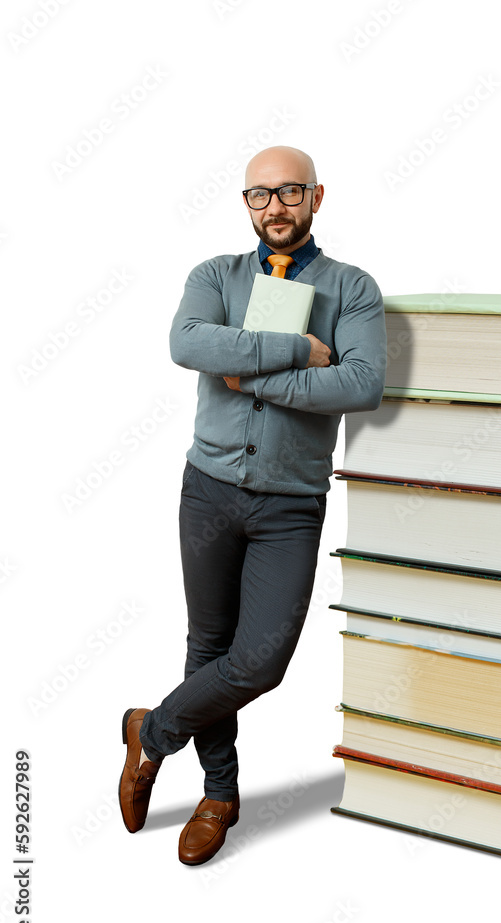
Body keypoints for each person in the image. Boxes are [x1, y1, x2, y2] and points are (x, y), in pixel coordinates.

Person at [119, 145, 386, 865]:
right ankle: (219, 796)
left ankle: (151, 732)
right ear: (246, 203)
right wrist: (298, 350)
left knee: (259, 661)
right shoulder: (215, 275)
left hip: (291, 502)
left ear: (317, 197)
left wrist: (250, 374)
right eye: (260, 195)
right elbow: (186, 342)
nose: (276, 207)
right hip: (207, 487)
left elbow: (361, 386)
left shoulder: (353, 288)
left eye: (290, 192)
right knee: (208, 647)